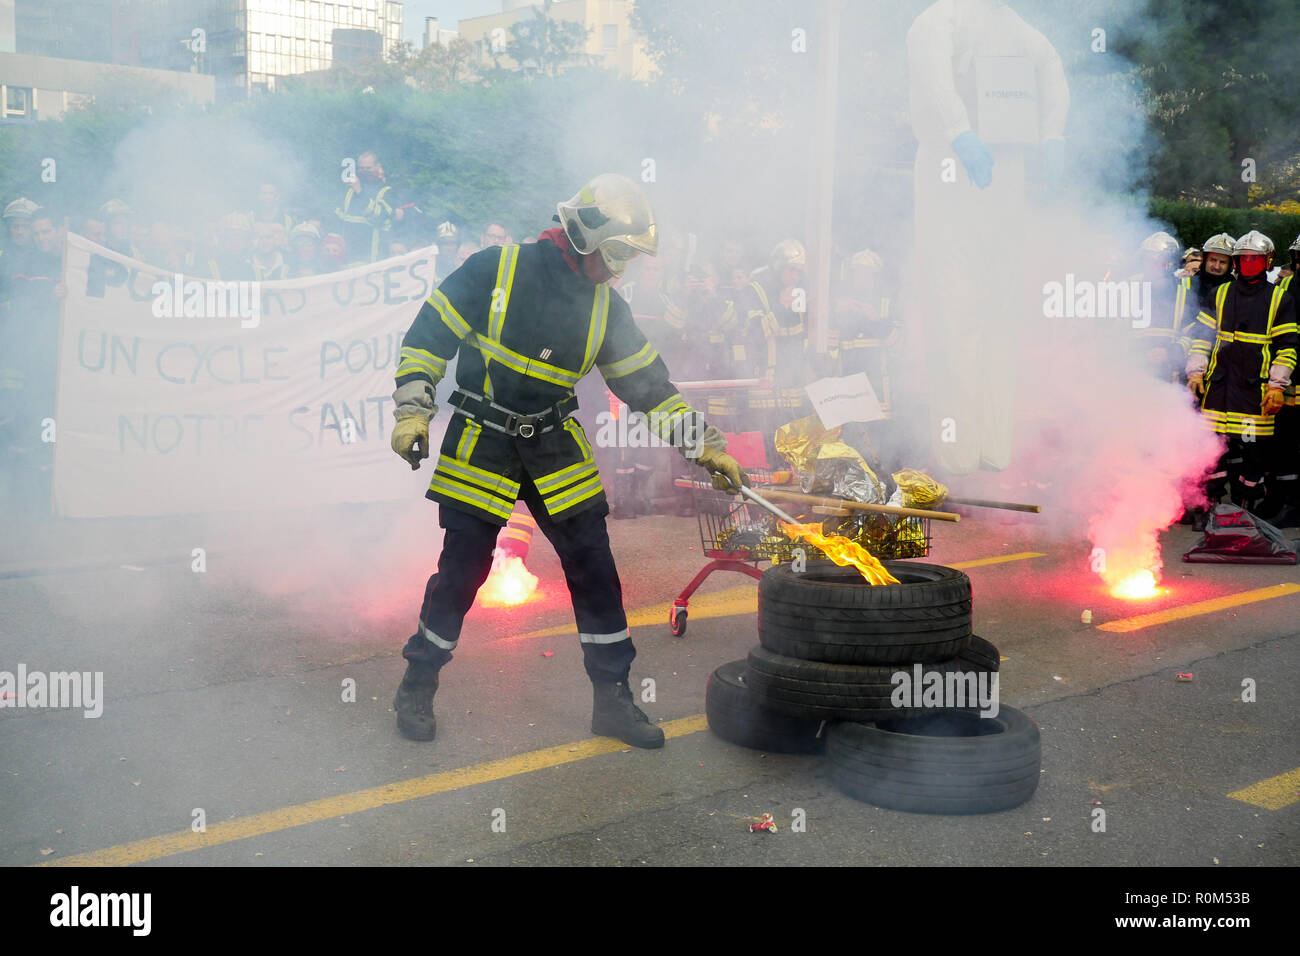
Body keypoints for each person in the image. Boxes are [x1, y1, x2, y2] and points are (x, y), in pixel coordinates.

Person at [387, 174, 746, 748]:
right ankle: (417, 683)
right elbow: (427, 337)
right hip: (483, 436)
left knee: (595, 570)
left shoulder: (607, 307)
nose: (621, 267)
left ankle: (613, 701)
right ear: (585, 237)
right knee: (462, 572)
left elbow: (649, 388)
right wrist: (412, 407)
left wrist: (705, 445)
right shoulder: (494, 269)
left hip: (556, 442)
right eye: (618, 253)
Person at [1186, 231, 1298, 519]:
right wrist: (1196, 371)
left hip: (1253, 394)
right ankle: (1211, 507)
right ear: (1236, 262)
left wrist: (1277, 385)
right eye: (1243, 258)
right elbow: (1202, 338)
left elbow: (1287, 347)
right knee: (1212, 451)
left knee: (1252, 455)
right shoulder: (1219, 293)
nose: (1247, 263)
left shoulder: (1279, 299)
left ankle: (1244, 511)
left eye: (1254, 259)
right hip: (1218, 389)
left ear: (1267, 261)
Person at [336, 149, 402, 264]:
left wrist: (359, 191)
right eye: (362, 168)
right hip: (347, 258)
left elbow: (379, 216)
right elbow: (338, 217)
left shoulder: (387, 191)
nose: (364, 171)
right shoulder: (348, 190)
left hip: (373, 259)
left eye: (368, 168)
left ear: (378, 166)